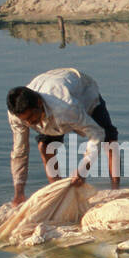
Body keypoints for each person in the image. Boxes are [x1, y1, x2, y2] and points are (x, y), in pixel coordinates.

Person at [7, 67, 120, 205]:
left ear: (39, 103)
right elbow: (20, 151)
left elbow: (97, 134)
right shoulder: (16, 116)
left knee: (109, 140)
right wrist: (19, 193)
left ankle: (115, 189)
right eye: (25, 120)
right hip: (50, 95)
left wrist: (83, 168)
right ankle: (58, 194)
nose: (29, 123)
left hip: (84, 93)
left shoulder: (66, 107)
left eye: (31, 117)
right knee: (45, 147)